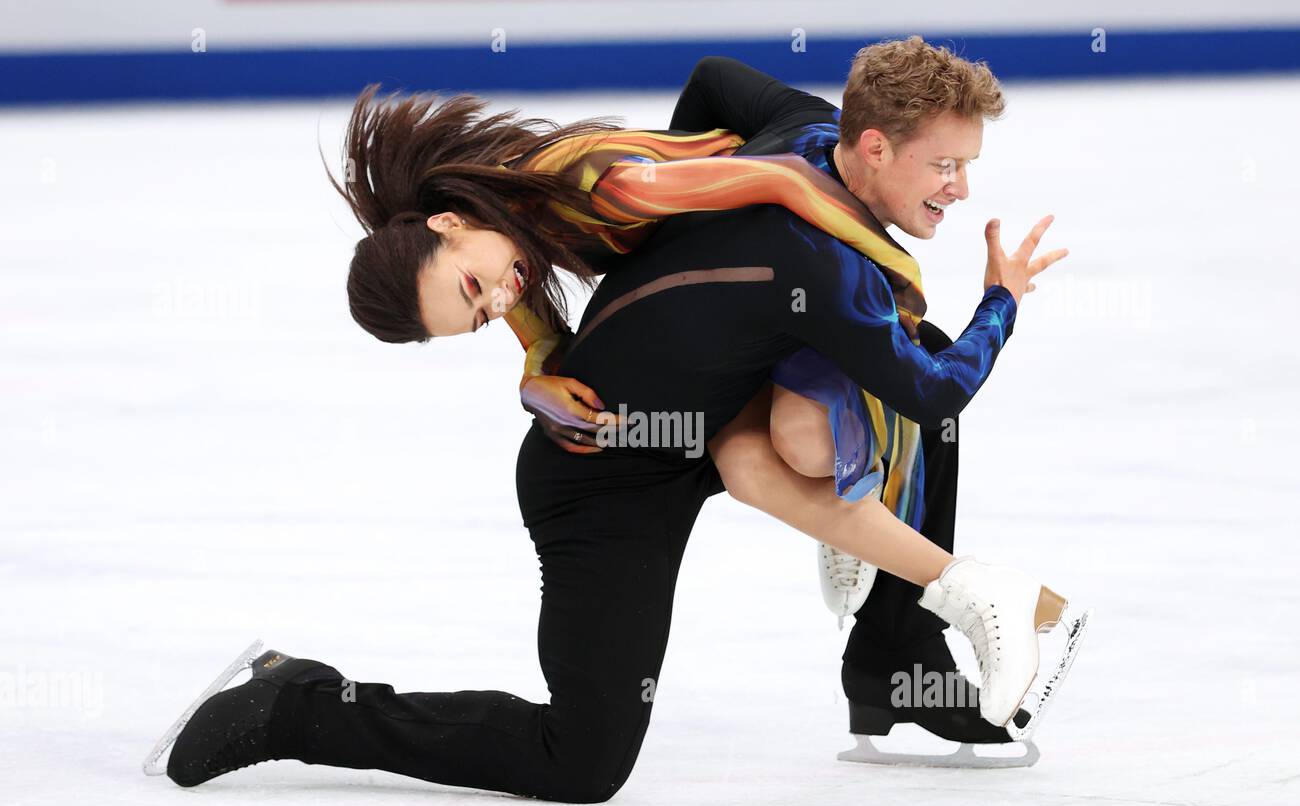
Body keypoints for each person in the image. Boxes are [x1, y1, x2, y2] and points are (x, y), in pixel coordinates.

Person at [327, 39, 1070, 764]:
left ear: (448, 224)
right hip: (628, 448)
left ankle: (931, 614)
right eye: (480, 312)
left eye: (472, 287)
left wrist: (880, 281)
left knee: (858, 398)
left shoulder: (612, 188)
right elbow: (719, 92)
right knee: (755, 465)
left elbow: (781, 184)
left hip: (723, 341)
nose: (499, 298)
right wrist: (538, 361)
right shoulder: (510, 217)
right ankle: (916, 571)